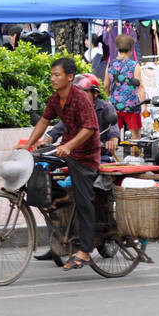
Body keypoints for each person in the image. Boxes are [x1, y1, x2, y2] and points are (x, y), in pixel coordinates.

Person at [25, 57, 100, 272]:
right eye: (51, 75)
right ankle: (57, 197)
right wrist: (28, 145)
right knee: (36, 159)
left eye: (57, 75)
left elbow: (90, 128)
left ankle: (85, 251)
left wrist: (70, 146)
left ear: (69, 77)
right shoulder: (55, 99)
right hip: (66, 148)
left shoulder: (81, 98)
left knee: (85, 202)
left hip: (86, 154)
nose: (53, 79)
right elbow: (44, 121)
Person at [42, 74, 119, 161]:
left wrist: (113, 139)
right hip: (73, 154)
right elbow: (60, 127)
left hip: (98, 155)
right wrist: (47, 140)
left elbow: (113, 127)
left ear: (95, 93)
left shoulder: (106, 108)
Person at [105, 34, 144, 136]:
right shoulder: (134, 65)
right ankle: (134, 152)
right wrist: (144, 105)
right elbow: (140, 87)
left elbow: (106, 85)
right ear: (132, 48)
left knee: (113, 135)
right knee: (135, 136)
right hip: (132, 105)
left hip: (114, 105)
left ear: (117, 48)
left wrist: (109, 98)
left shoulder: (110, 64)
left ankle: (113, 151)